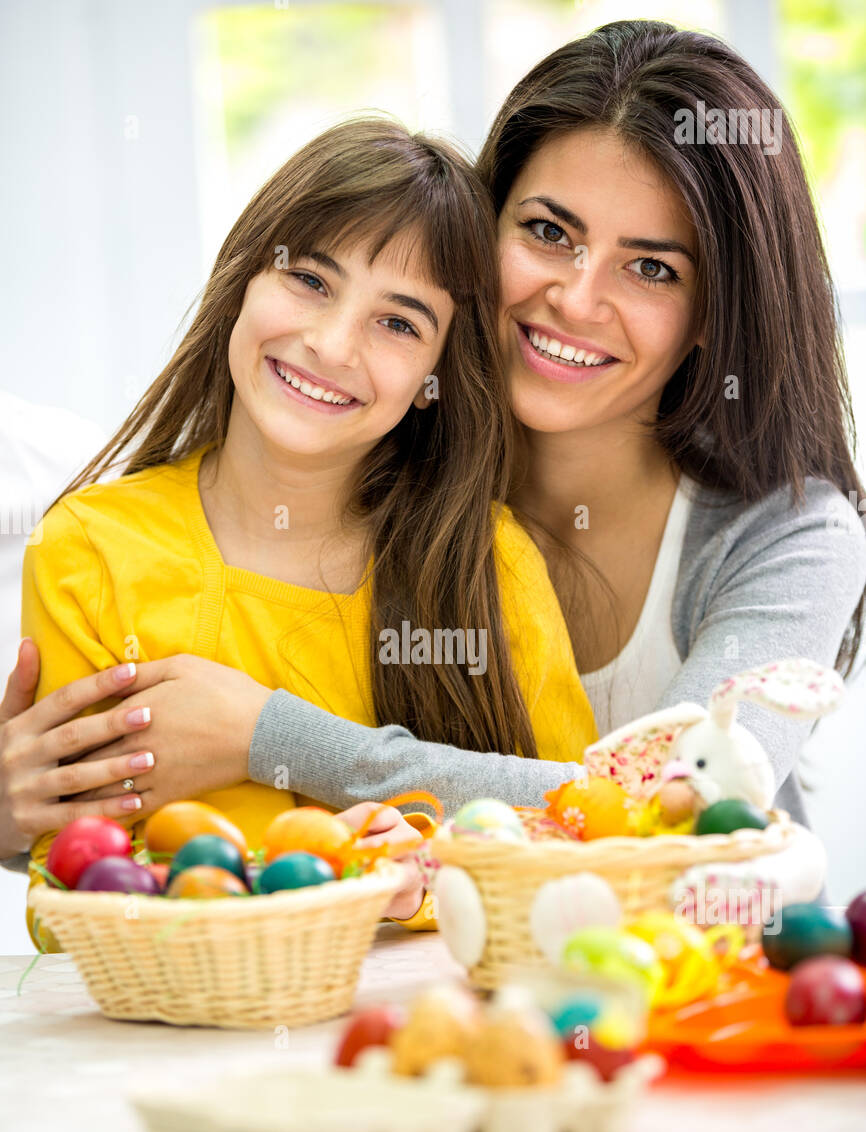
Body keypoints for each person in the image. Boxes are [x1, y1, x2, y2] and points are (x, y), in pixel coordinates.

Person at [3, 22, 864, 868]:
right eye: (548, 232)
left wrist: (272, 737)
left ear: (717, 311)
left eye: (651, 268)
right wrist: (22, 813)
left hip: (716, 976)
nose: (574, 296)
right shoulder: (348, 448)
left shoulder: (790, 536)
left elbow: (675, 814)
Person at [6, 117, 596, 945]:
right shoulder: (93, 550)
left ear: (436, 377)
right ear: (245, 277)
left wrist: (431, 871)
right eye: (311, 281)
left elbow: (589, 818)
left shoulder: (490, 565)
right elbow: (67, 905)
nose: (329, 343)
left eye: (399, 323)